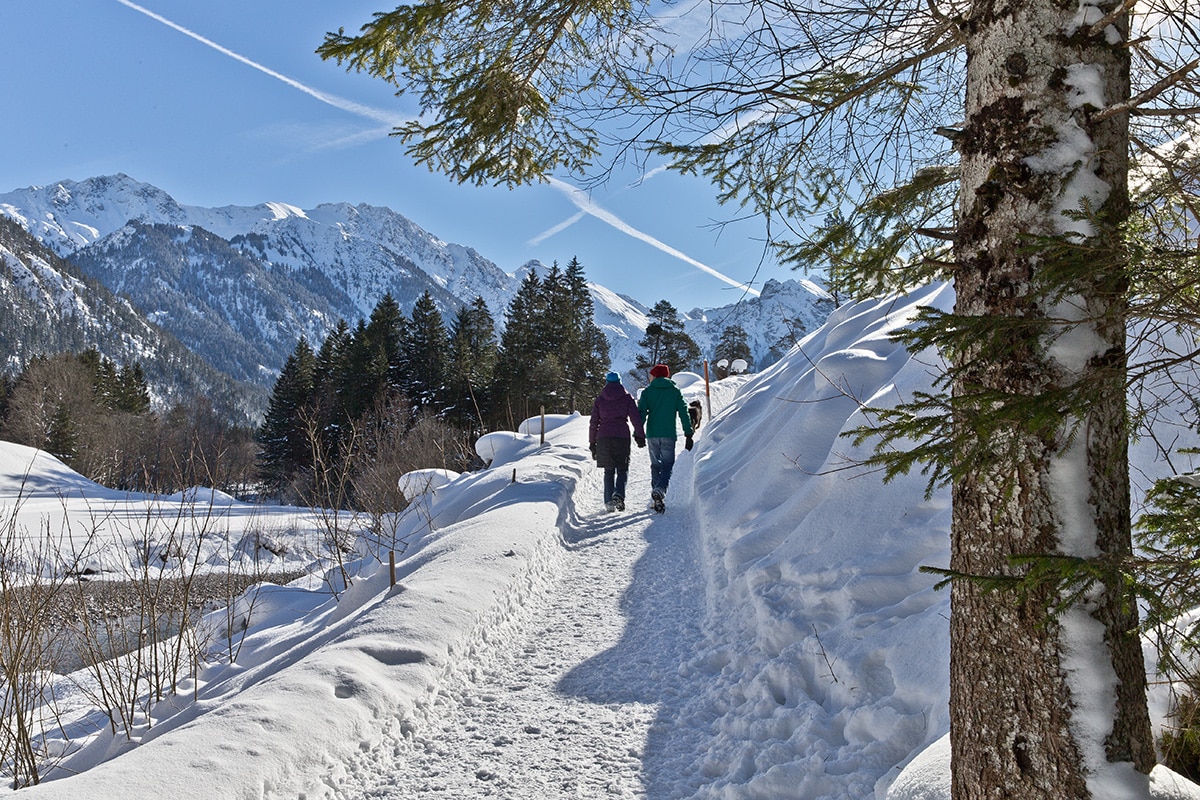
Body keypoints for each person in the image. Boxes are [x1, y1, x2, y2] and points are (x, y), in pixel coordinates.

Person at [637, 364, 694, 513]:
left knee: (656, 465)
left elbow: (641, 413)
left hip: (652, 434)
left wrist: (638, 433)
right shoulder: (675, 391)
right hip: (669, 434)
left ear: (656, 376)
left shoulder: (648, 392)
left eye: (651, 375)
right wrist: (688, 433)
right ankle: (660, 491)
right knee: (667, 465)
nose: (649, 377)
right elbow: (684, 412)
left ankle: (656, 496)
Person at [589, 371, 646, 512]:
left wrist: (592, 443)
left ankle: (609, 502)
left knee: (608, 470)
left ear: (607, 382)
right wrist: (640, 436)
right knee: (622, 468)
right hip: (622, 436)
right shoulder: (627, 398)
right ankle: (619, 495)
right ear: (620, 382)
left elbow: (594, 422)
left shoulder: (600, 400)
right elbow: (636, 418)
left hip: (603, 437)